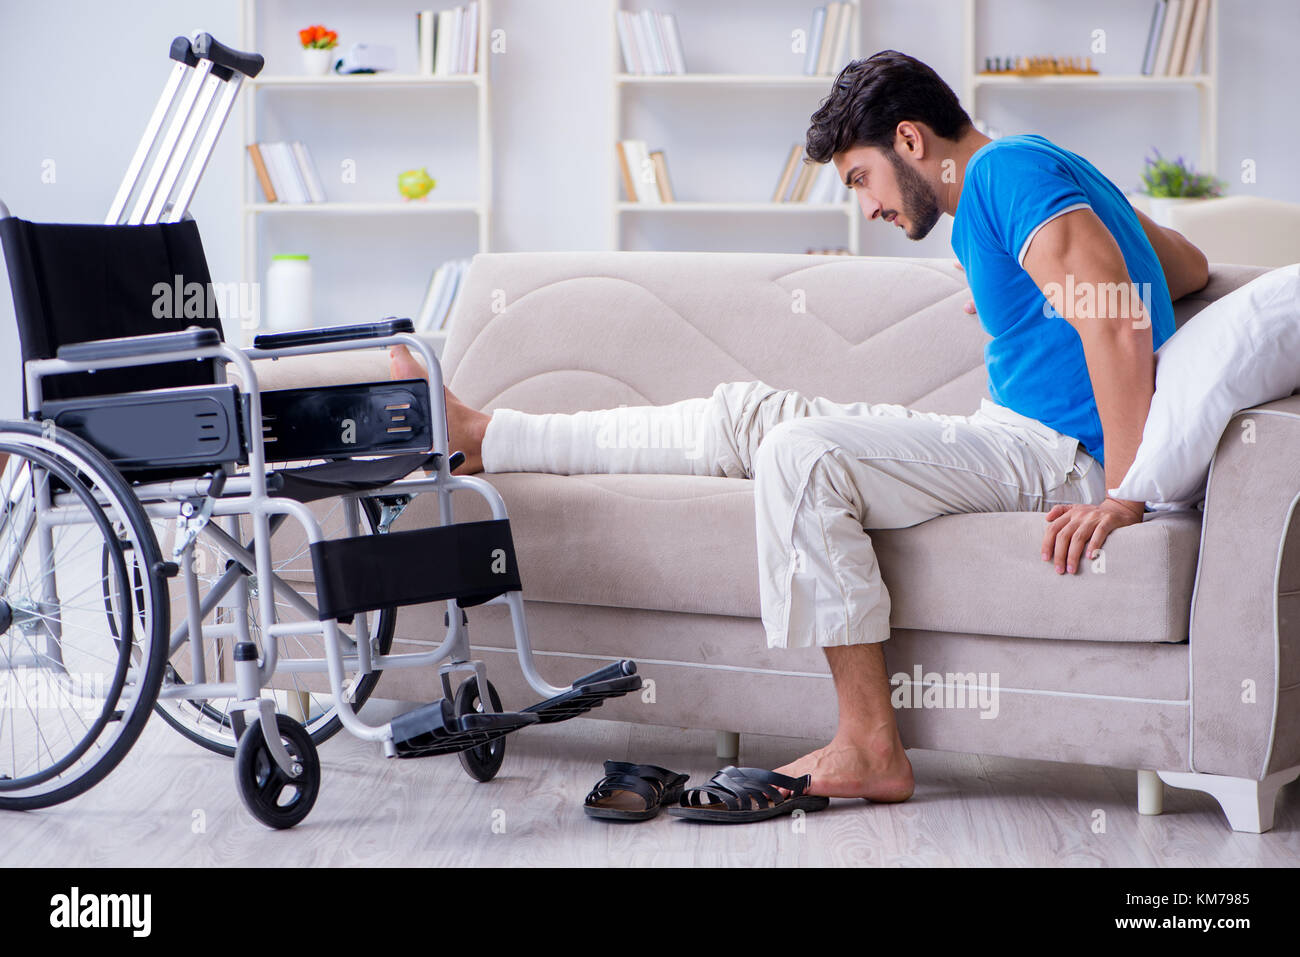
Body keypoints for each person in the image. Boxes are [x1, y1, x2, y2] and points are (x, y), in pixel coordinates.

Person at [389, 49, 1209, 808]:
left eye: (862, 179)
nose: (869, 207)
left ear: (911, 139)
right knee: (745, 415)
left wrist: (1131, 494)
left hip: (1055, 458)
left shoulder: (1004, 171)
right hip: (1015, 438)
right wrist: (1024, 287)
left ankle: (868, 745)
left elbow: (1120, 315)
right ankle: (493, 436)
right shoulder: (1026, 174)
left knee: (800, 454)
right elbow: (1183, 267)